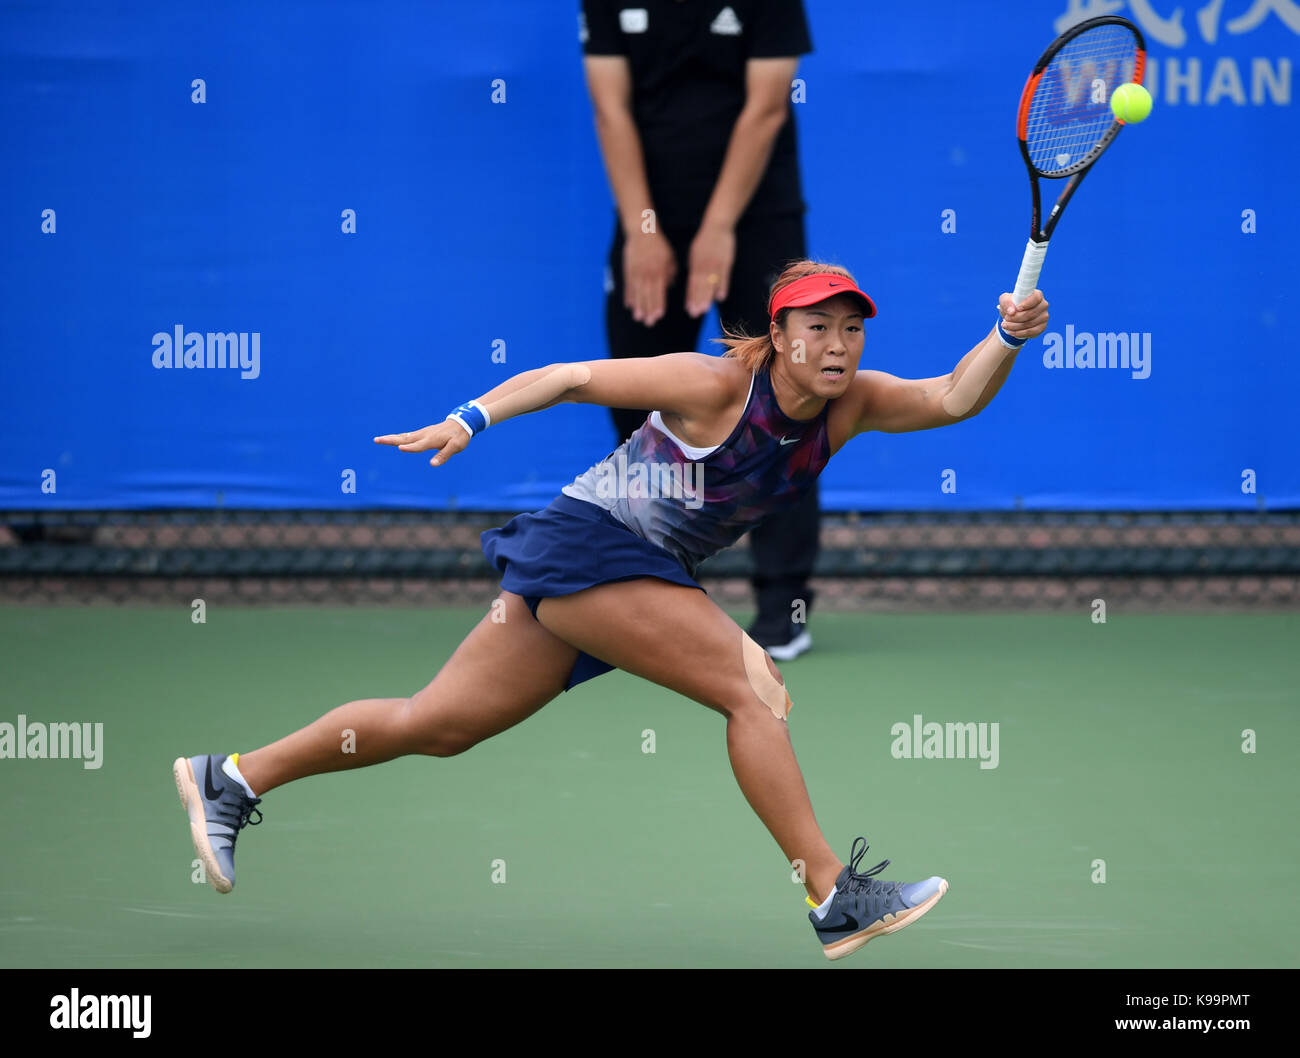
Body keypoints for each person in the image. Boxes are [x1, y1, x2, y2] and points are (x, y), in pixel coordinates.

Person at [172, 261, 1049, 961]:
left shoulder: (849, 405)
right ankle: (830, 894)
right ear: (777, 337)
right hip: (592, 542)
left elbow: (951, 397)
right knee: (755, 690)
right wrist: (468, 419)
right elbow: (570, 377)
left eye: (851, 329)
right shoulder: (711, 385)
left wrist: (1005, 337)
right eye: (817, 327)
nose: (838, 344)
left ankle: (233, 777)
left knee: (434, 723)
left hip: (627, 569)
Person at [581, 0, 820, 660]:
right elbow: (612, 109)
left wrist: (718, 230)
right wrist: (643, 230)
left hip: (760, 217)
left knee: (785, 403)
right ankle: (651, 587)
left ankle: (781, 605)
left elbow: (766, 107)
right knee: (634, 395)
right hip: (651, 219)